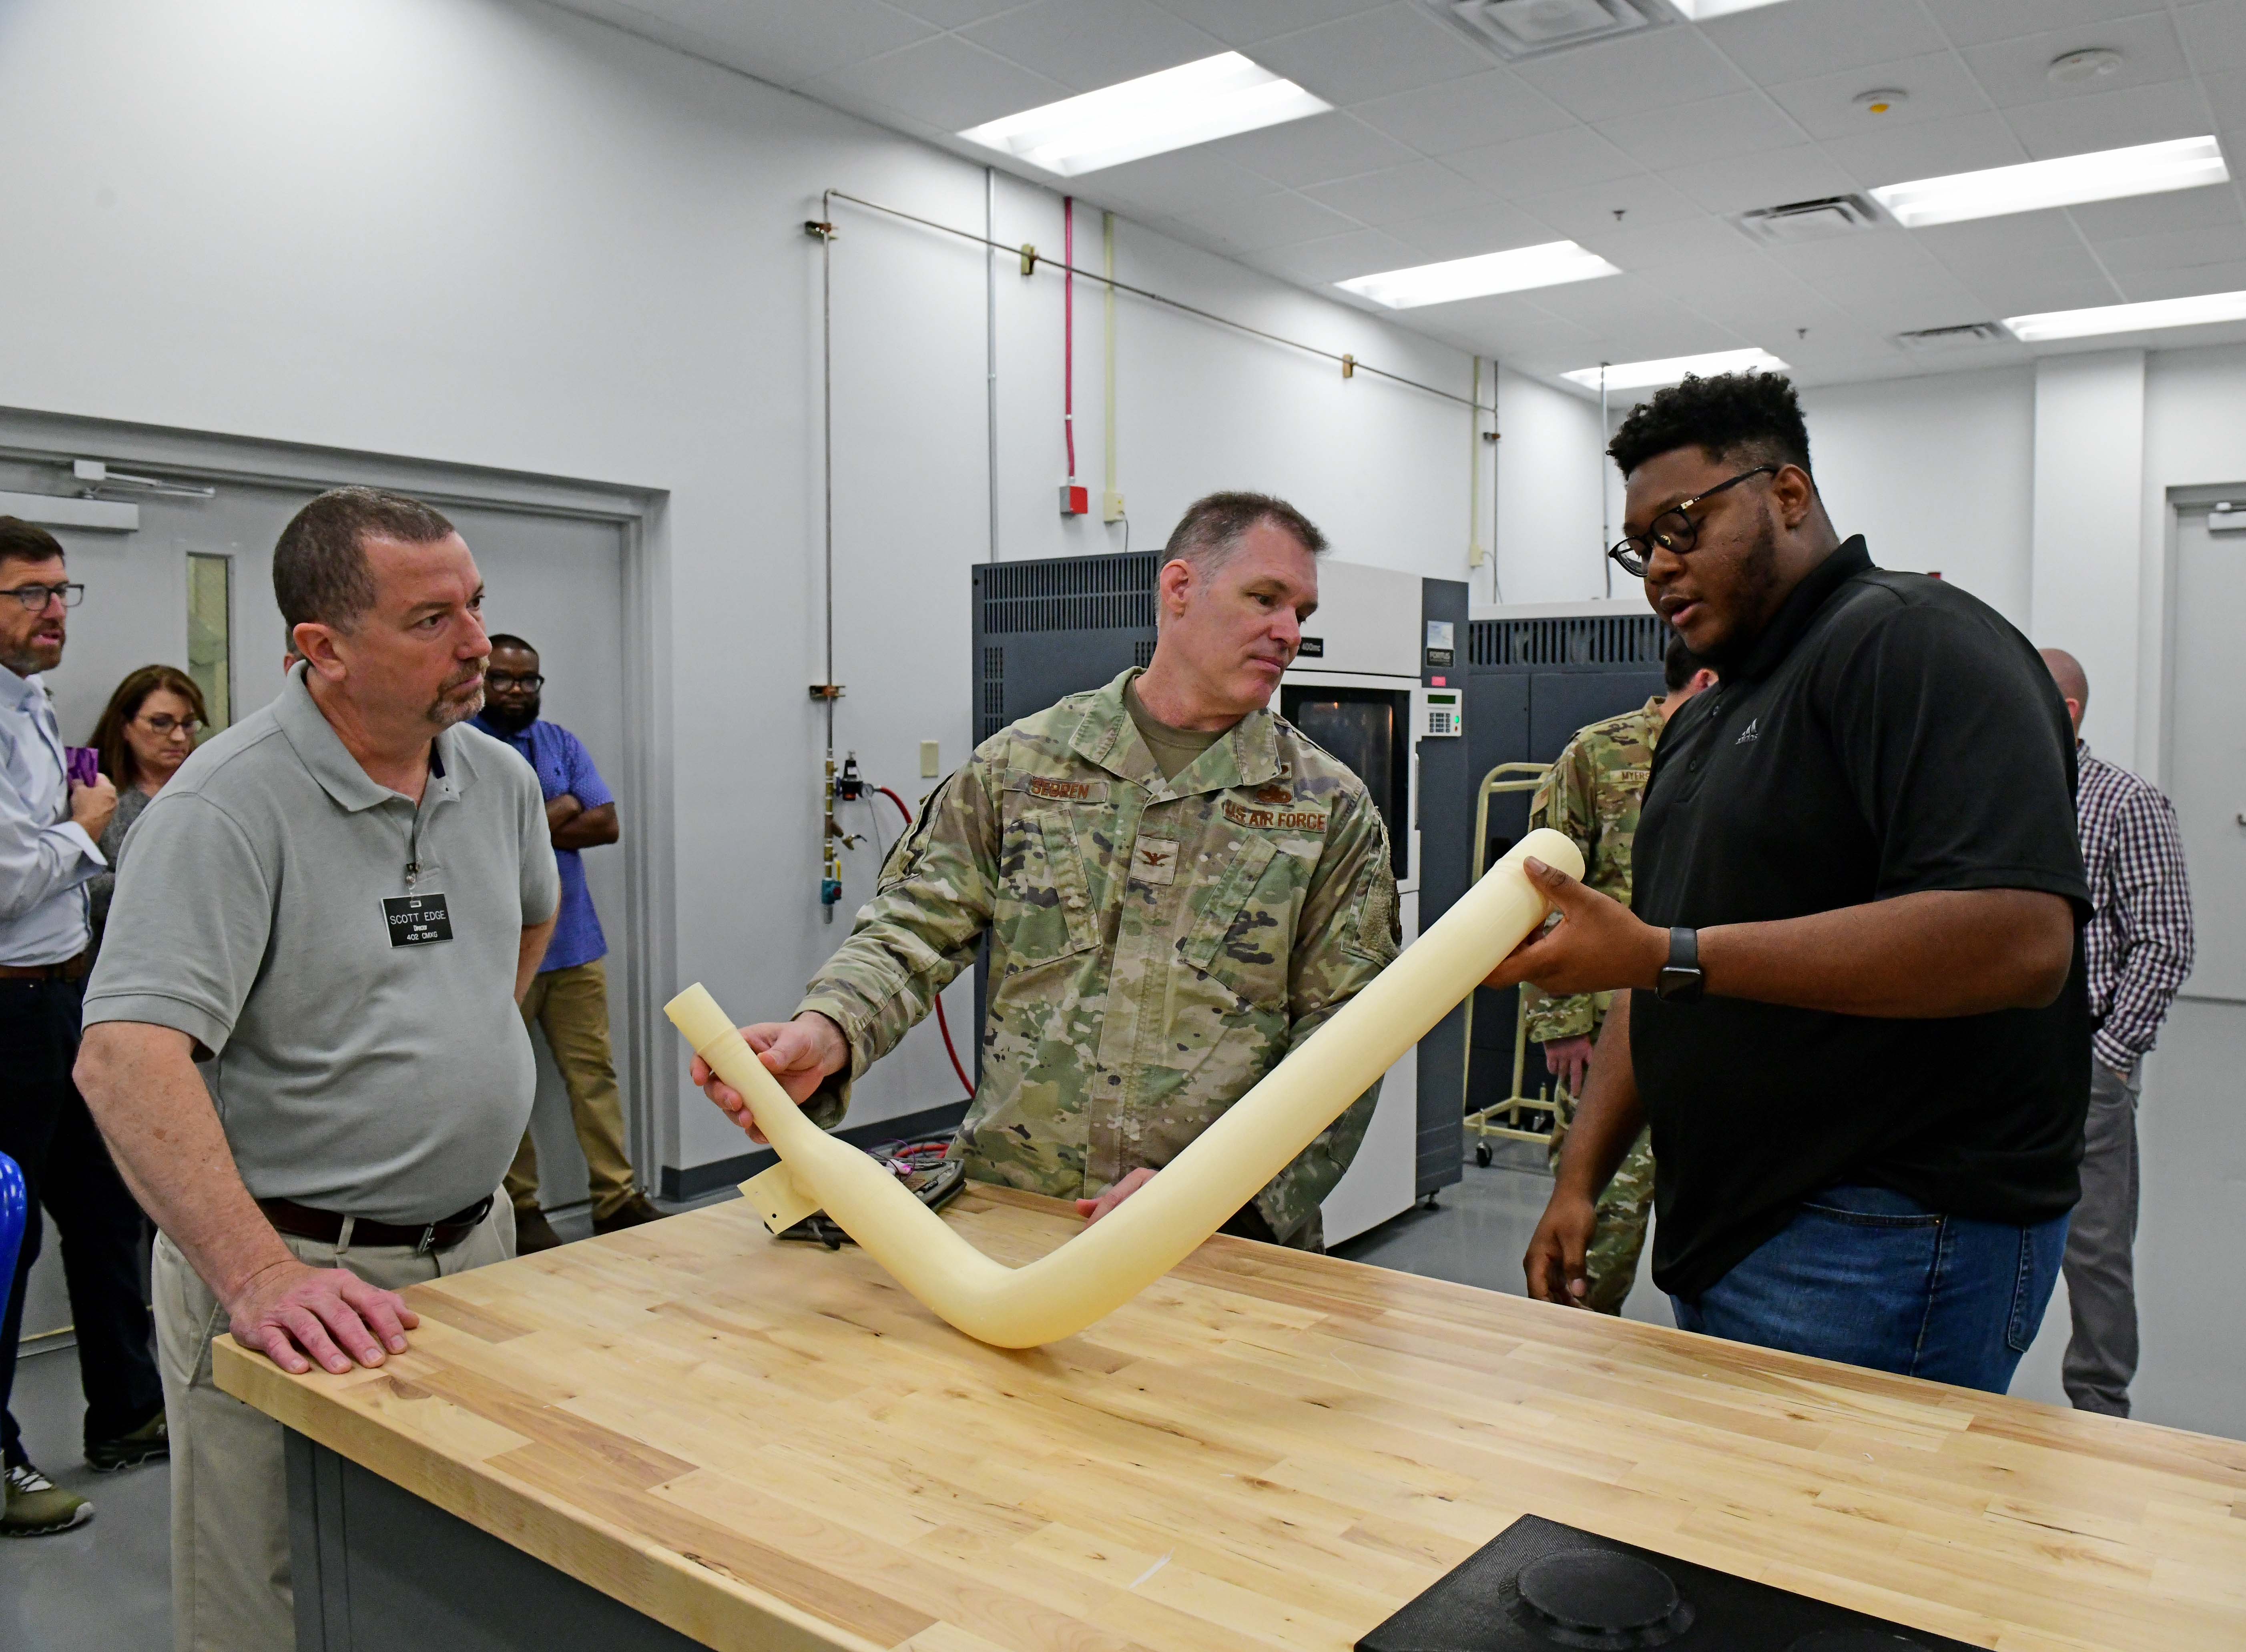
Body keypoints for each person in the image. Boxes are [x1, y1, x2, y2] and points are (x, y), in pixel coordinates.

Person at [1499, 371, 2090, 1394]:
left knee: (1850, 1504)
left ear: (1786, 494)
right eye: (1639, 546)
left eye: (1681, 525)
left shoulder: (1913, 640)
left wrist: (1667, 953)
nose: (1658, 566)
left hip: (1884, 1229)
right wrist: (1580, 1176)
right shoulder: (1705, 717)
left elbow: (2019, 939)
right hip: (1734, 1224)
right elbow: (1657, 970)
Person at [76, 486, 558, 1648]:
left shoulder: (496, 781)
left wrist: (449, 1056)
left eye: (475, 603)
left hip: (475, 1254)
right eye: (431, 618)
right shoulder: (225, 806)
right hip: (297, 1279)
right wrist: (256, 1275)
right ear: (322, 647)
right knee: (277, 1597)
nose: (477, 642)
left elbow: (531, 917)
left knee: (457, 1580)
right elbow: (125, 1056)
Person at [694, 491, 1399, 1249]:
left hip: (1220, 1240)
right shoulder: (1024, 767)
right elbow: (913, 927)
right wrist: (828, 1029)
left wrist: (1221, 1193)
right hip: (1017, 1219)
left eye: (1301, 613)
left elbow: (1349, 1040)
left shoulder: (1325, 807)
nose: (1289, 632)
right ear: (1179, 588)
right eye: (1265, 599)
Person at [0, 519, 166, 1540]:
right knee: (4, 1239)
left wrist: (68, 832)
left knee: (108, 1213)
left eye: (62, 591)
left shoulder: (29, 703)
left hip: (61, 999)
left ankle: (128, 1412)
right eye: (29, 593)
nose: (54, 610)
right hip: (5, 1009)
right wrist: (86, 829)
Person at [1525, 636, 1715, 1314]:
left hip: (1718, 1025)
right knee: (1599, 1226)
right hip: (1615, 1037)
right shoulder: (1598, 753)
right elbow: (1540, 891)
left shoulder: (1745, 754)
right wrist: (1560, 1024)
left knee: (1717, 1245)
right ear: (1706, 679)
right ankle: (1574, 1350)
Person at [2040, 648, 2194, 1417]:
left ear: (2065, 713)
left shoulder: (2127, 802)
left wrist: (2109, 1056)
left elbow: (2165, 941)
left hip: (2086, 1057)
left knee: (2095, 1245)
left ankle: (2100, 1408)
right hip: (2000, 1060)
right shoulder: (2001, 795)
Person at [470, 632, 658, 1251]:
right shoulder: (459, 747)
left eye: (528, 680)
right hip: (499, 956)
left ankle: (617, 1198)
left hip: (576, 946)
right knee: (505, 1086)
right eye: (503, 678)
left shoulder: (560, 743)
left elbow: (606, 824)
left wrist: (533, 822)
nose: (516, 690)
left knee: (594, 1075)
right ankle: (521, 1208)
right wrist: (562, 805)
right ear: (482, 678)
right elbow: (481, 837)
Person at [83, 664, 212, 940]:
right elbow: (82, 887)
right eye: (161, 723)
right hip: (120, 949)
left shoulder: (214, 791)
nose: (179, 737)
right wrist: (173, 886)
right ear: (125, 727)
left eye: (188, 724)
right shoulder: (95, 795)